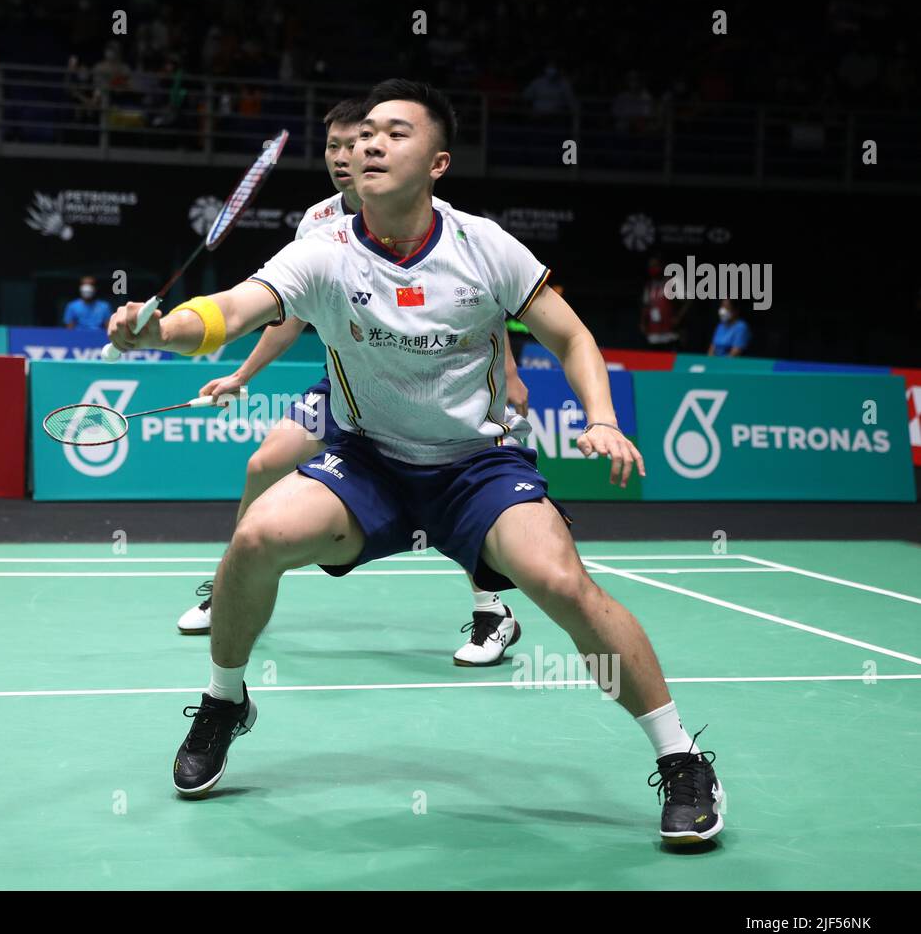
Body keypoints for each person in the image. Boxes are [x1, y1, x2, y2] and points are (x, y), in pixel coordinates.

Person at [109, 79, 724, 845]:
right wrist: (160, 331)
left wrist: (601, 418)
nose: (370, 143)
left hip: (477, 463)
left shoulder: (484, 245)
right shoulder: (323, 251)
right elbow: (234, 310)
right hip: (369, 460)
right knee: (257, 536)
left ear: (436, 162)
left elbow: (571, 336)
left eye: (394, 133)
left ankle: (682, 757)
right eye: (365, 132)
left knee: (561, 579)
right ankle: (225, 700)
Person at [175, 97, 530, 668]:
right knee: (265, 463)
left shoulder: (429, 215)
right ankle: (229, 586)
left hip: (431, 383)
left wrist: (508, 369)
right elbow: (288, 312)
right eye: (334, 146)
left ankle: (492, 610)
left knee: (456, 479)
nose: (345, 156)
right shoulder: (317, 224)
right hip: (347, 379)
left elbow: (478, 307)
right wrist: (242, 373)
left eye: (354, 143)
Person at [639, 256, 689, 350]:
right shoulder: (649, 286)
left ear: (662, 266)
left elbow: (688, 301)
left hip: (671, 333)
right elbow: (645, 306)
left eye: (655, 265)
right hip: (654, 333)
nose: (653, 269)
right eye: (651, 266)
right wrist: (642, 322)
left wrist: (679, 317)